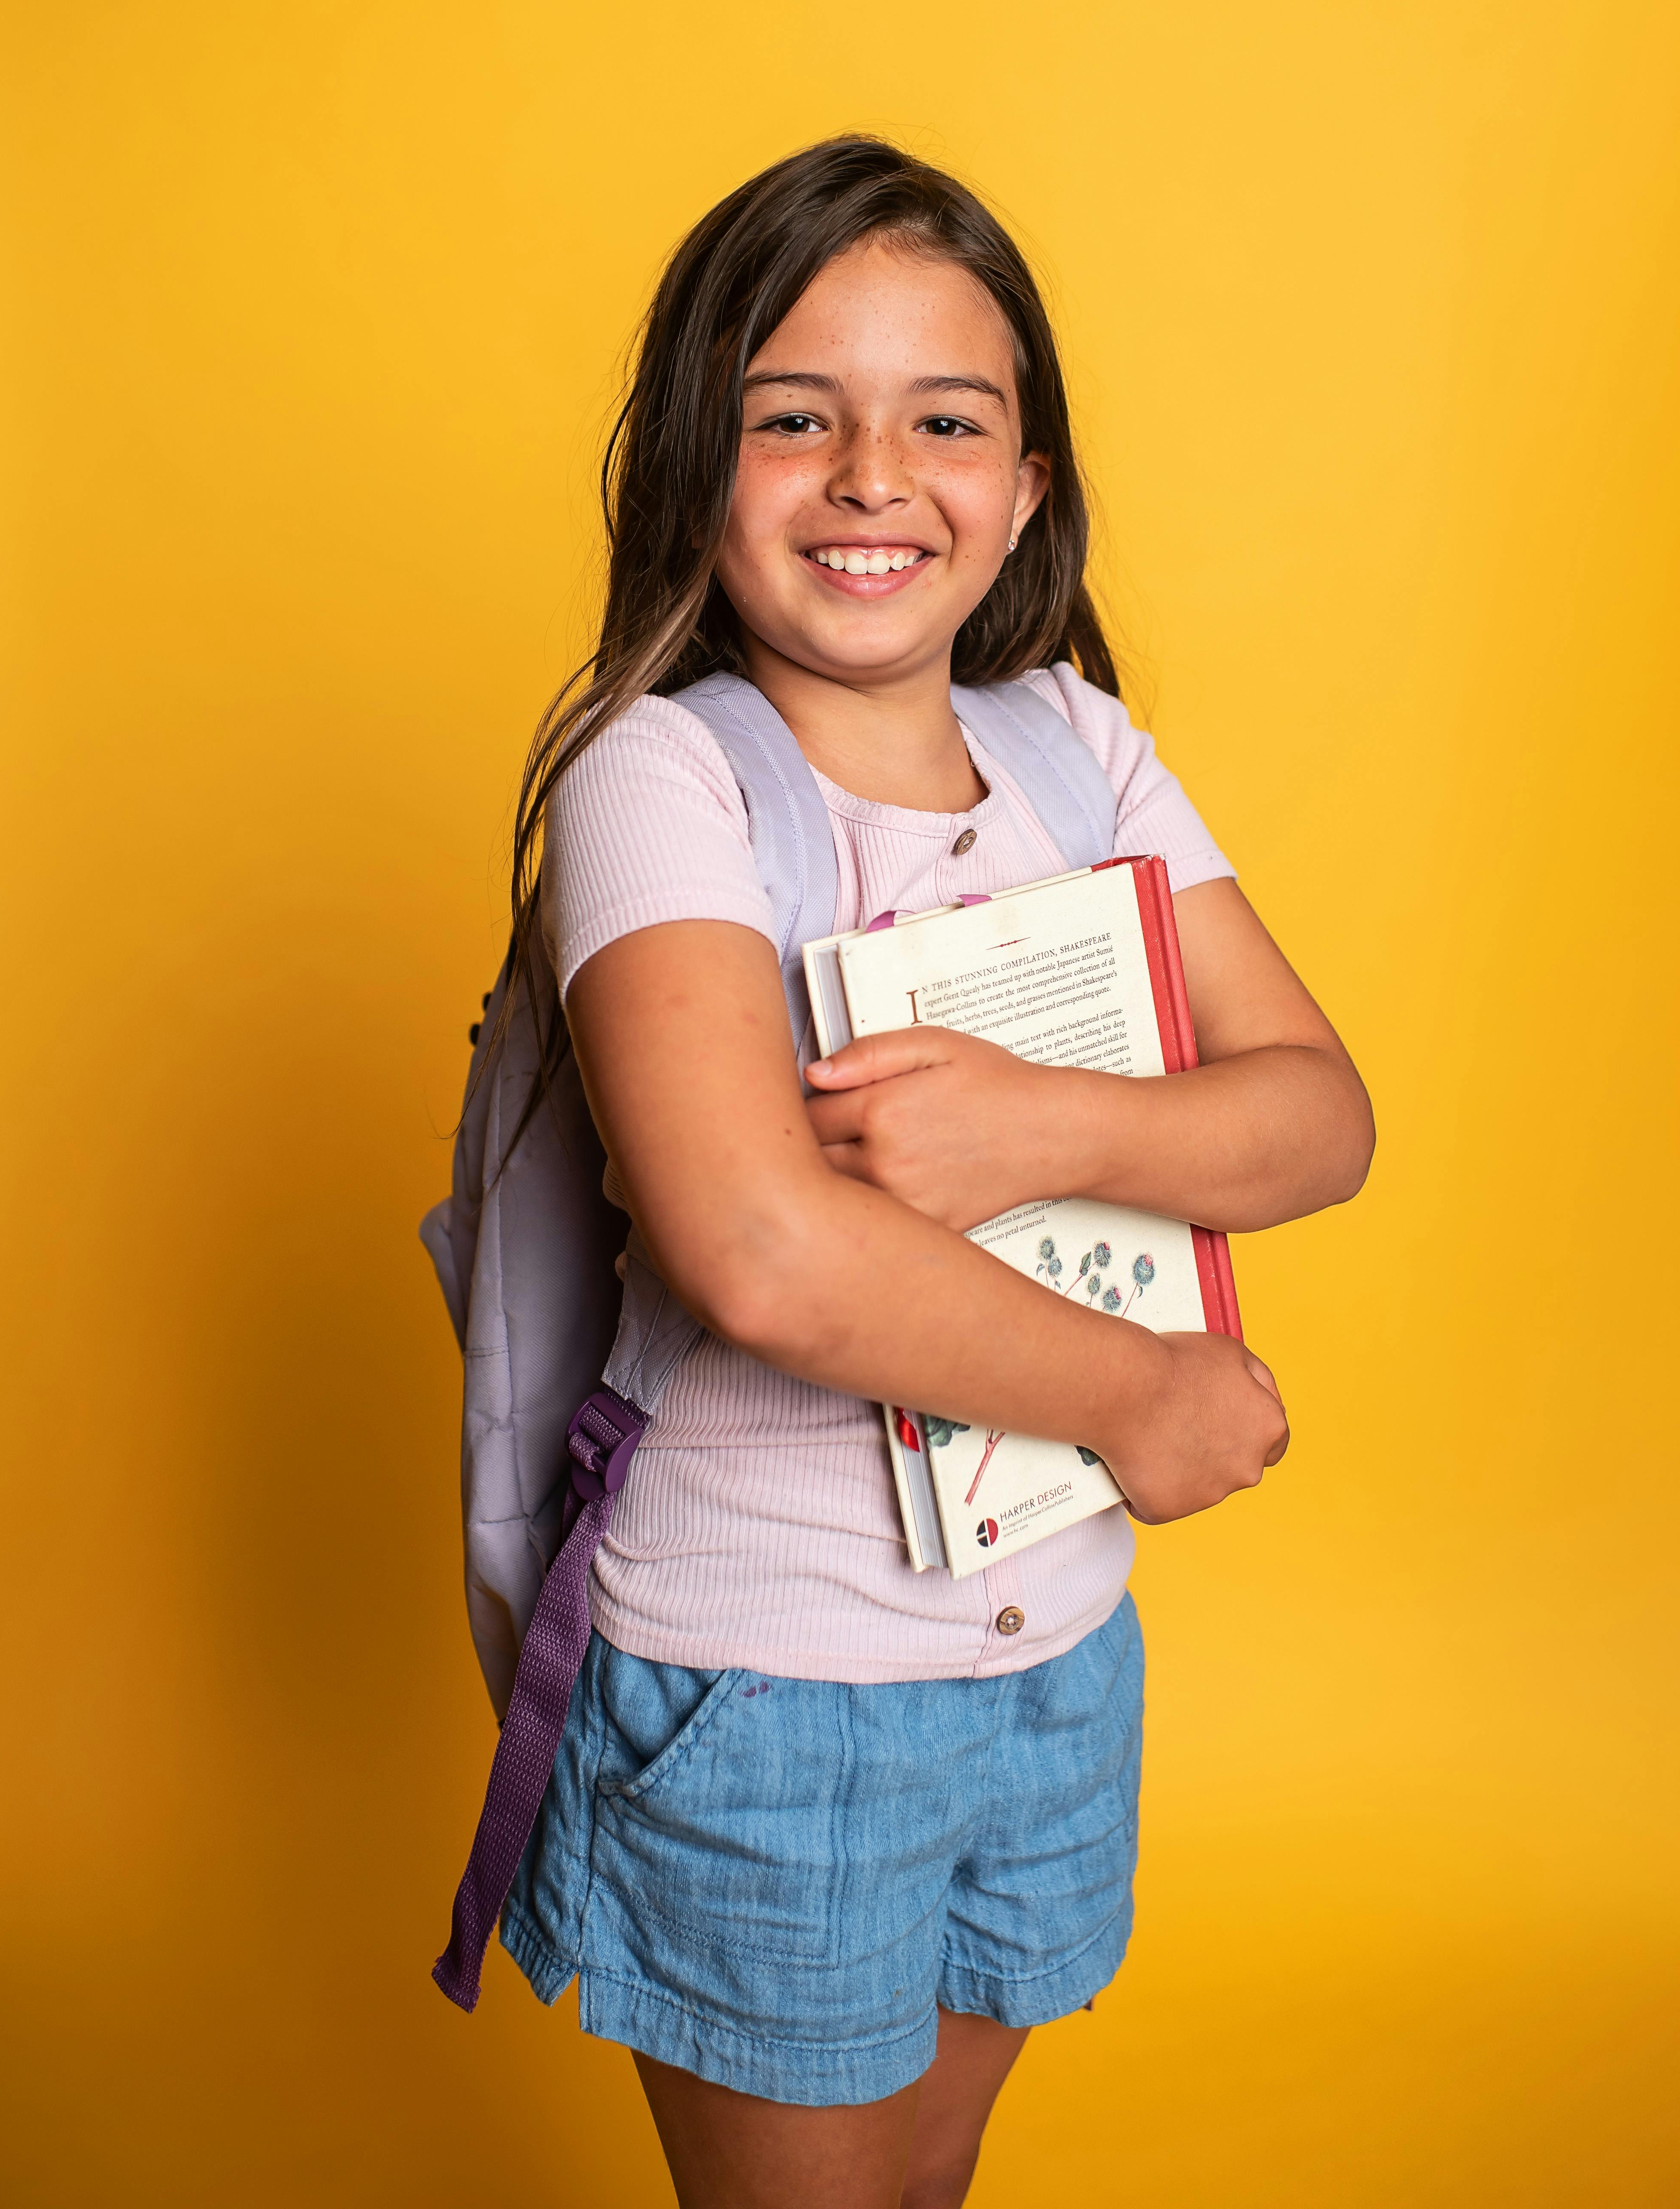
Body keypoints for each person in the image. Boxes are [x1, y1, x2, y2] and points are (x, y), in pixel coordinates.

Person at [491, 136, 1373, 2209]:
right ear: (696, 461)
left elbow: (1315, 1113)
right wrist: (1139, 1394)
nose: (872, 474)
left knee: (930, 2174)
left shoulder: (1080, 746)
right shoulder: (663, 775)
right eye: (794, 417)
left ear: (1027, 485)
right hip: (773, 1686)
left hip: (1055, 1650)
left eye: (942, 421)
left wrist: (1032, 1123)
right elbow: (757, 1249)